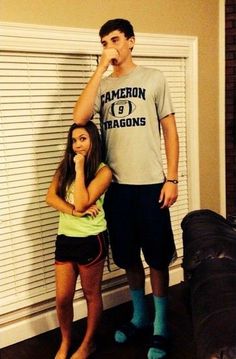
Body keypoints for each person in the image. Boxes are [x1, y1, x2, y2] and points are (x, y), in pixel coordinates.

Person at [73, 18, 179, 359]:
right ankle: (140, 316)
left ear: (131, 41)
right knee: (129, 258)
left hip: (150, 186)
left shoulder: (153, 78)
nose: (110, 46)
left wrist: (173, 178)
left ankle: (161, 324)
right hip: (116, 189)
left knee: (158, 258)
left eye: (115, 39)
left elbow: (170, 131)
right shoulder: (103, 86)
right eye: (104, 41)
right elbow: (80, 117)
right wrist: (101, 67)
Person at [46, 121, 112, 359]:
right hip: (65, 238)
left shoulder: (103, 171)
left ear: (93, 140)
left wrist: (81, 168)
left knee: (91, 294)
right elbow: (51, 197)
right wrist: (73, 211)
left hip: (91, 239)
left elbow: (83, 201)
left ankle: (87, 344)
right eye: (74, 140)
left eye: (83, 139)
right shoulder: (65, 167)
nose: (77, 145)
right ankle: (65, 342)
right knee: (62, 298)